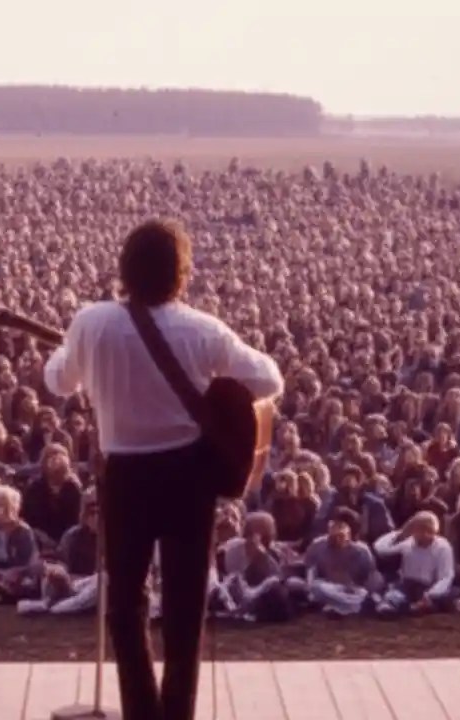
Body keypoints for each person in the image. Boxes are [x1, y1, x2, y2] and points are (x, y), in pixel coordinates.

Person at [43, 219, 283, 720]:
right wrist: (216, 390)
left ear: (125, 266)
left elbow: (59, 382)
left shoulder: (92, 322)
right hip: (188, 475)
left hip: (126, 476)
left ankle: (141, 711)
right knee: (184, 603)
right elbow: (268, 379)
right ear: (182, 271)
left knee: (126, 604)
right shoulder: (202, 329)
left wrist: (76, 356)